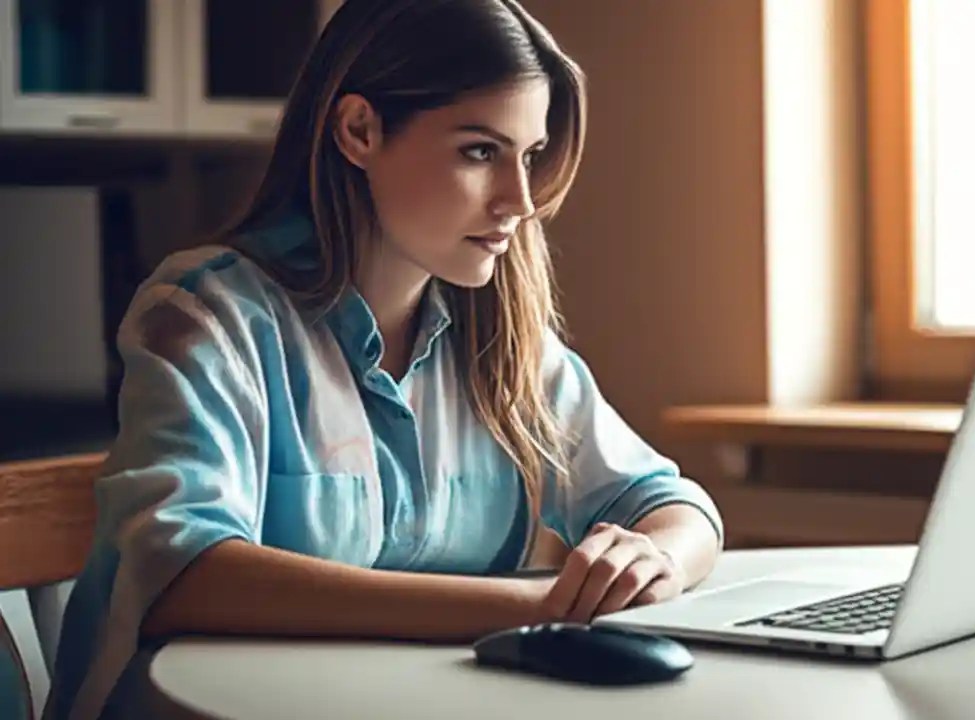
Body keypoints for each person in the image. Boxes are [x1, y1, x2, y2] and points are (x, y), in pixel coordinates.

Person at [46, 1, 723, 717]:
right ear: (359, 131)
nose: (519, 202)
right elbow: (180, 574)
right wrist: (526, 607)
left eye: (528, 156)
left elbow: (677, 507)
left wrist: (655, 558)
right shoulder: (208, 314)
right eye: (480, 151)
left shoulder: (501, 340)